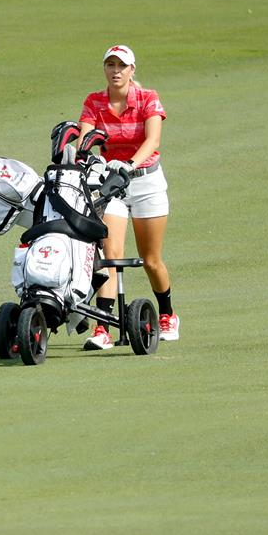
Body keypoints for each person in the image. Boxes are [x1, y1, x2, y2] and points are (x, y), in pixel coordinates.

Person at [77, 44, 179, 350]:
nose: (116, 71)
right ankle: (103, 328)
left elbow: (153, 139)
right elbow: (84, 138)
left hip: (146, 181)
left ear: (132, 70)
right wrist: (88, 157)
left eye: (121, 66)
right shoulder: (94, 101)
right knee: (110, 255)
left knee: (151, 259)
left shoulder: (148, 98)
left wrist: (130, 164)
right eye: (110, 65)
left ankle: (167, 315)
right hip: (111, 186)